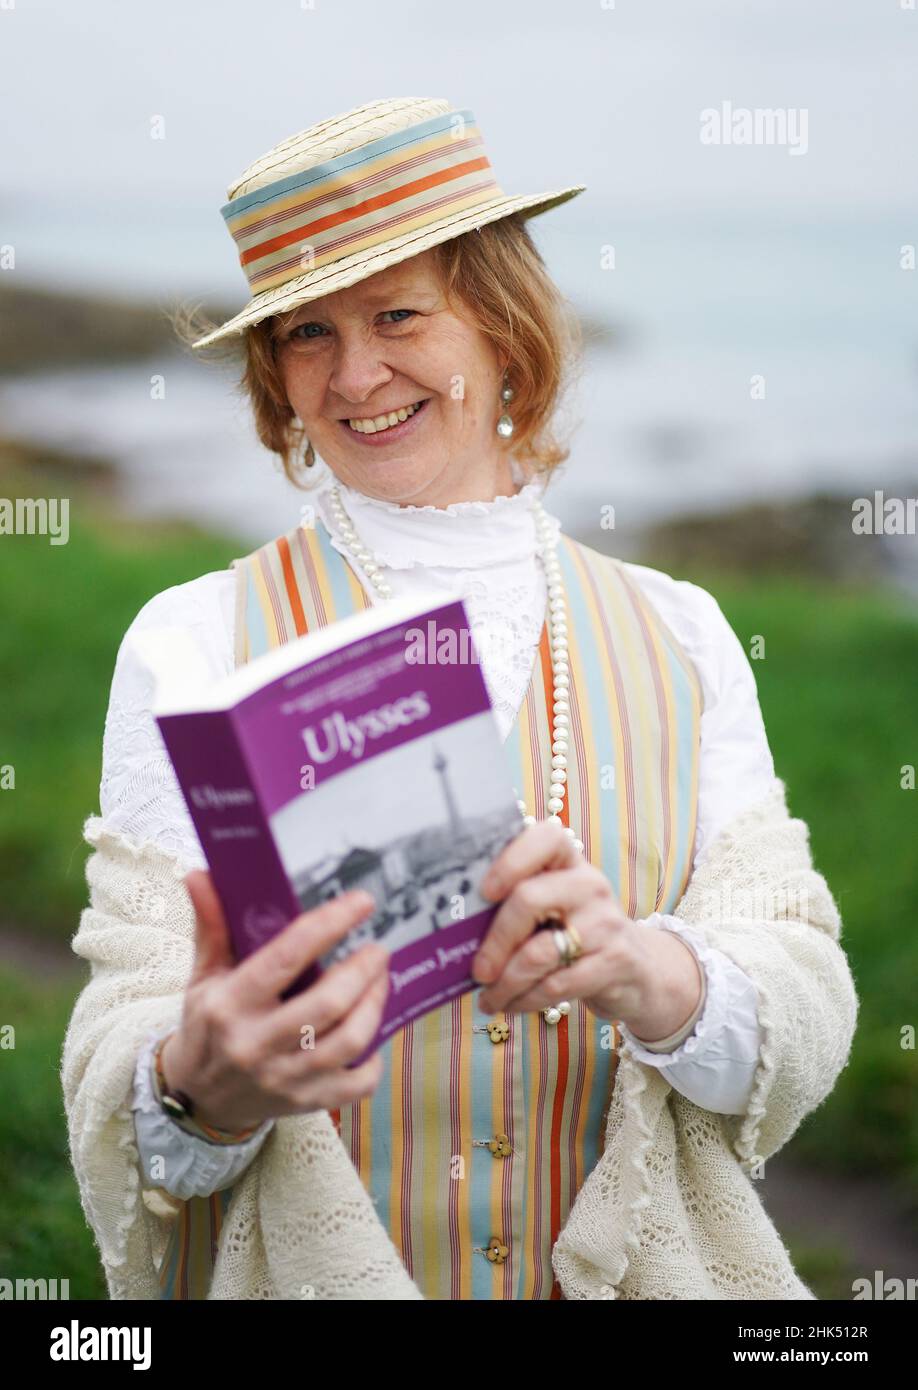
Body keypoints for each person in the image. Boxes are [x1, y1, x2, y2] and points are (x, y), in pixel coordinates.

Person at [62, 96, 858, 1301]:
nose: (357, 373)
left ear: (499, 325)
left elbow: (801, 1003)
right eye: (306, 333)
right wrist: (201, 1080)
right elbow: (125, 1073)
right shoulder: (192, 638)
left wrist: (649, 970)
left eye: (396, 314)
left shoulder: (684, 631)